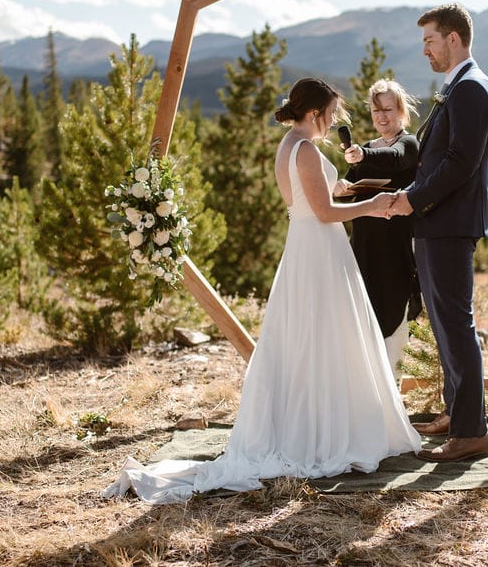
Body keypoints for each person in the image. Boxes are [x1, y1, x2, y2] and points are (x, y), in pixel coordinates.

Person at [103, 78, 421, 503]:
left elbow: (310, 200)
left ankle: (314, 421)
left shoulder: (289, 144)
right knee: (324, 336)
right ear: (314, 114)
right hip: (318, 251)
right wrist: (372, 206)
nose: (332, 123)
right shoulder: (306, 149)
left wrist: (343, 188)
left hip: (306, 248)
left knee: (311, 337)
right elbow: (323, 212)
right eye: (330, 115)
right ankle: (322, 433)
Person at [386, 3, 488, 463]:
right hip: (438, 220)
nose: (425, 51)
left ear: (453, 38)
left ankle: (472, 433)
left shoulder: (472, 88)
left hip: (449, 223)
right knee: (445, 322)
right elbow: (438, 159)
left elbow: (460, 163)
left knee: (456, 324)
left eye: (430, 41)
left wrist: (414, 199)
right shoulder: (460, 86)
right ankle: (458, 414)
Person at [333, 79, 422, 379]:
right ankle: (366, 386)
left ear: (401, 111)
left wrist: (362, 155)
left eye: (388, 109)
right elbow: (348, 184)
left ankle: (392, 390)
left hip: (394, 245)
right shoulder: (367, 149)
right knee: (363, 312)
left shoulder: (408, 144)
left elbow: (395, 157)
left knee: (393, 310)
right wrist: (343, 186)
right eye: (376, 110)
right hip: (364, 244)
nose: (382, 116)